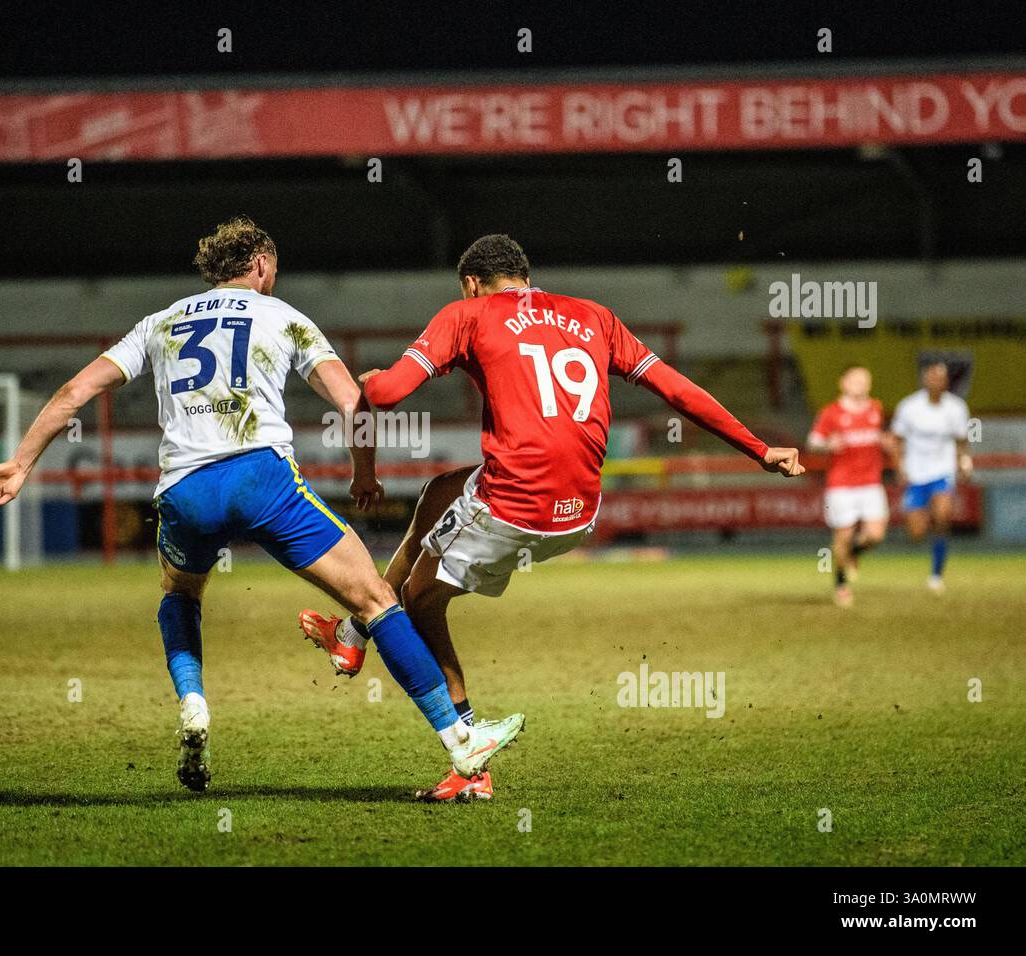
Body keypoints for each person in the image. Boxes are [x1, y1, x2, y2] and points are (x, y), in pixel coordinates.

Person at [0, 216, 524, 793]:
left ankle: (195, 703)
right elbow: (354, 401)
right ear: (260, 265)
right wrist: (364, 473)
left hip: (184, 491)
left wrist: (21, 463)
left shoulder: (160, 322)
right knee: (377, 598)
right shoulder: (283, 317)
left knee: (180, 595)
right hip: (261, 481)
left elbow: (74, 392)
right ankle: (458, 737)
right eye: (272, 269)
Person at [299, 234, 804, 801]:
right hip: (581, 511)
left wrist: (367, 382)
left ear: (471, 282)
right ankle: (351, 634)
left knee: (415, 607)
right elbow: (676, 390)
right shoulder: (594, 316)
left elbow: (388, 395)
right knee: (440, 493)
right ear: (524, 274)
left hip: (513, 506)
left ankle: (470, 761)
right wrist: (760, 450)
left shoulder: (466, 314)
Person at [806, 366, 888, 607]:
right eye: (855, 379)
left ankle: (853, 554)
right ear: (843, 383)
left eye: (864, 379)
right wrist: (827, 444)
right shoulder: (831, 412)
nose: (860, 383)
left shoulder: (876, 409)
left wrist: (886, 442)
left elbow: (879, 438)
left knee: (875, 535)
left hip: (871, 482)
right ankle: (841, 584)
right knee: (843, 535)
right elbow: (813, 441)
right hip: (841, 484)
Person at [888, 361, 973, 595]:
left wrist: (963, 462)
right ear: (925, 380)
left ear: (946, 382)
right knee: (915, 533)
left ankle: (936, 575)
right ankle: (927, 535)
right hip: (916, 474)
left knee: (943, 515)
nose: (936, 381)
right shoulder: (909, 406)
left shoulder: (956, 408)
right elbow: (896, 439)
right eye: (932, 377)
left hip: (942, 471)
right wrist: (899, 467)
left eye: (940, 378)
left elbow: (961, 440)